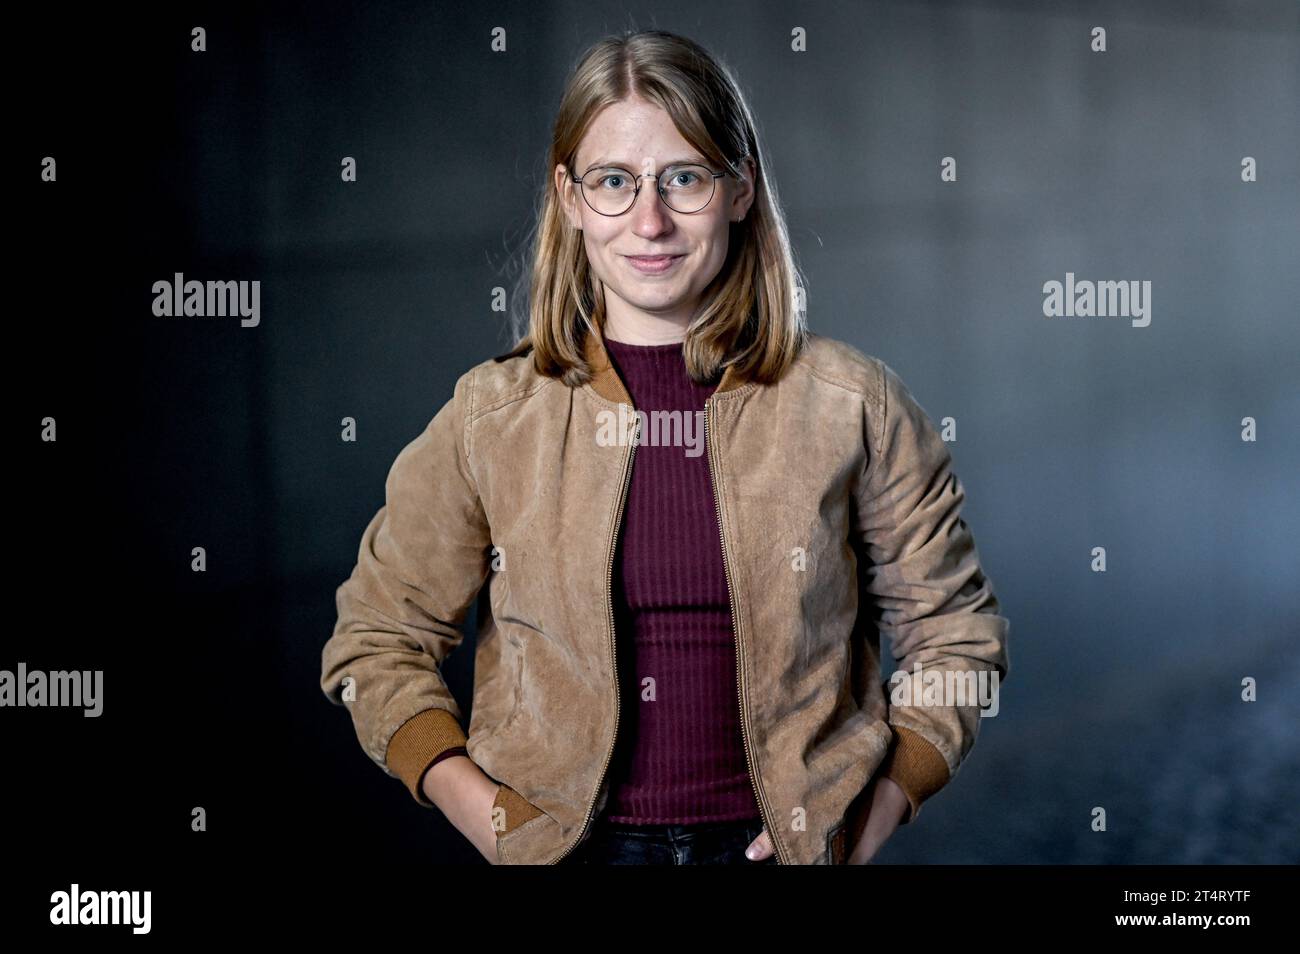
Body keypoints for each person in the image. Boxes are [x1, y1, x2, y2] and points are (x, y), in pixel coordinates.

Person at [320, 29, 1010, 865]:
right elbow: (376, 635)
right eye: (615, 181)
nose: (649, 222)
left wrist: (885, 802)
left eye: (683, 178)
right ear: (571, 199)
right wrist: (486, 815)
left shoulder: (851, 406)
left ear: (739, 188)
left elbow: (955, 632)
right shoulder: (492, 418)